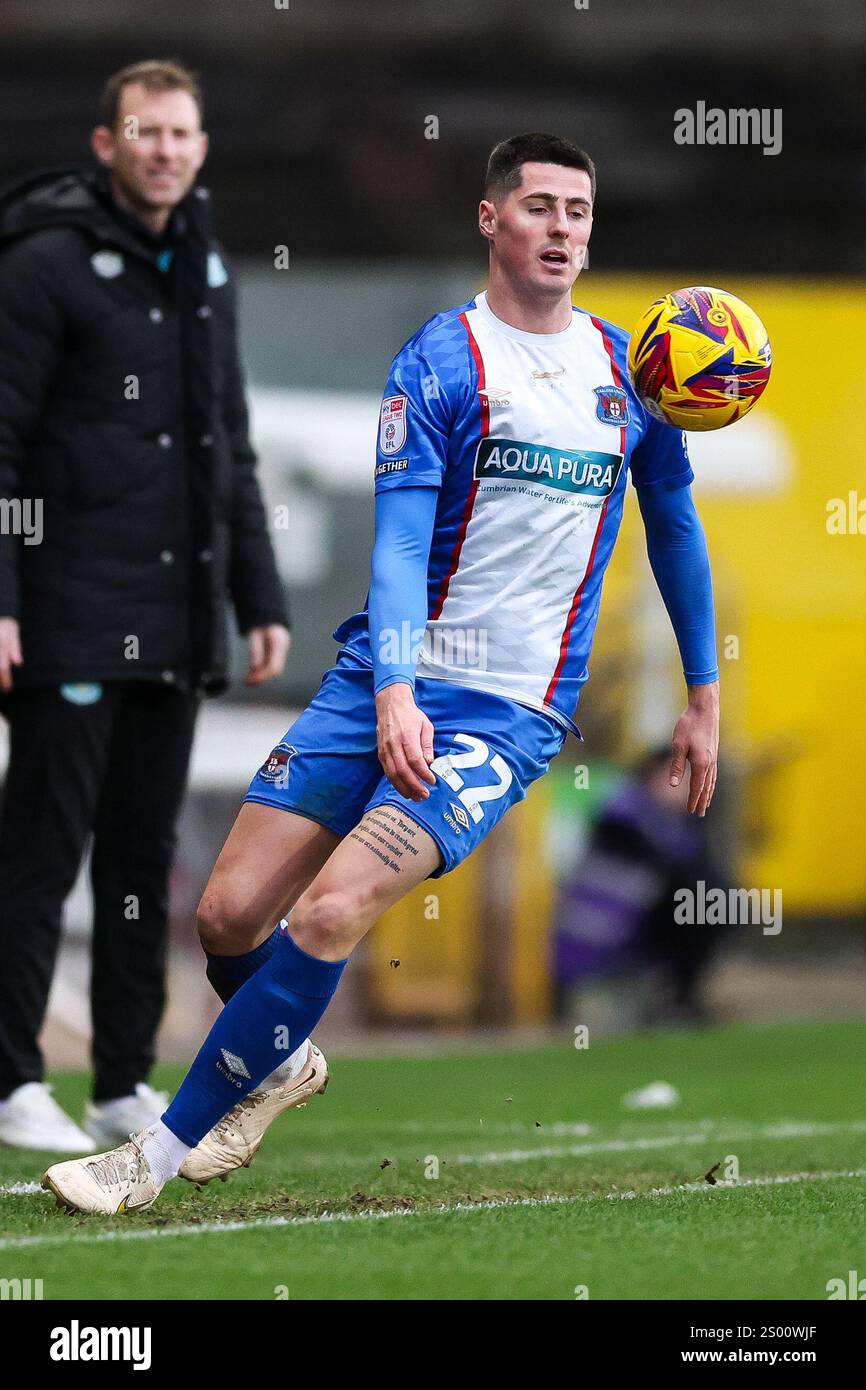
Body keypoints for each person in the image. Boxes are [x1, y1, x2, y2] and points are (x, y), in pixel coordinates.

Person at [43, 131, 720, 1213]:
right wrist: (395, 690)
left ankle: (151, 1158)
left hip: (506, 712)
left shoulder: (627, 378)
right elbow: (400, 548)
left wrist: (700, 696)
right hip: (382, 682)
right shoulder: (440, 361)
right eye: (538, 206)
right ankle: (280, 1059)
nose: (560, 228)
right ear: (490, 220)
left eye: (577, 212)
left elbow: (674, 525)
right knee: (224, 919)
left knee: (328, 912)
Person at [0, 61, 290, 1154]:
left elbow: (228, 442)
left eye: (180, 133)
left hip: (170, 624)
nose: (164, 149)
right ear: (107, 142)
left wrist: (254, 592)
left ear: (200, 150)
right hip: (69, 612)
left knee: (141, 859)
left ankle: (122, 1080)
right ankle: (10, 1074)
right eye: (145, 132)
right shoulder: (44, 264)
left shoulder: (207, 269)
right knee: (41, 848)